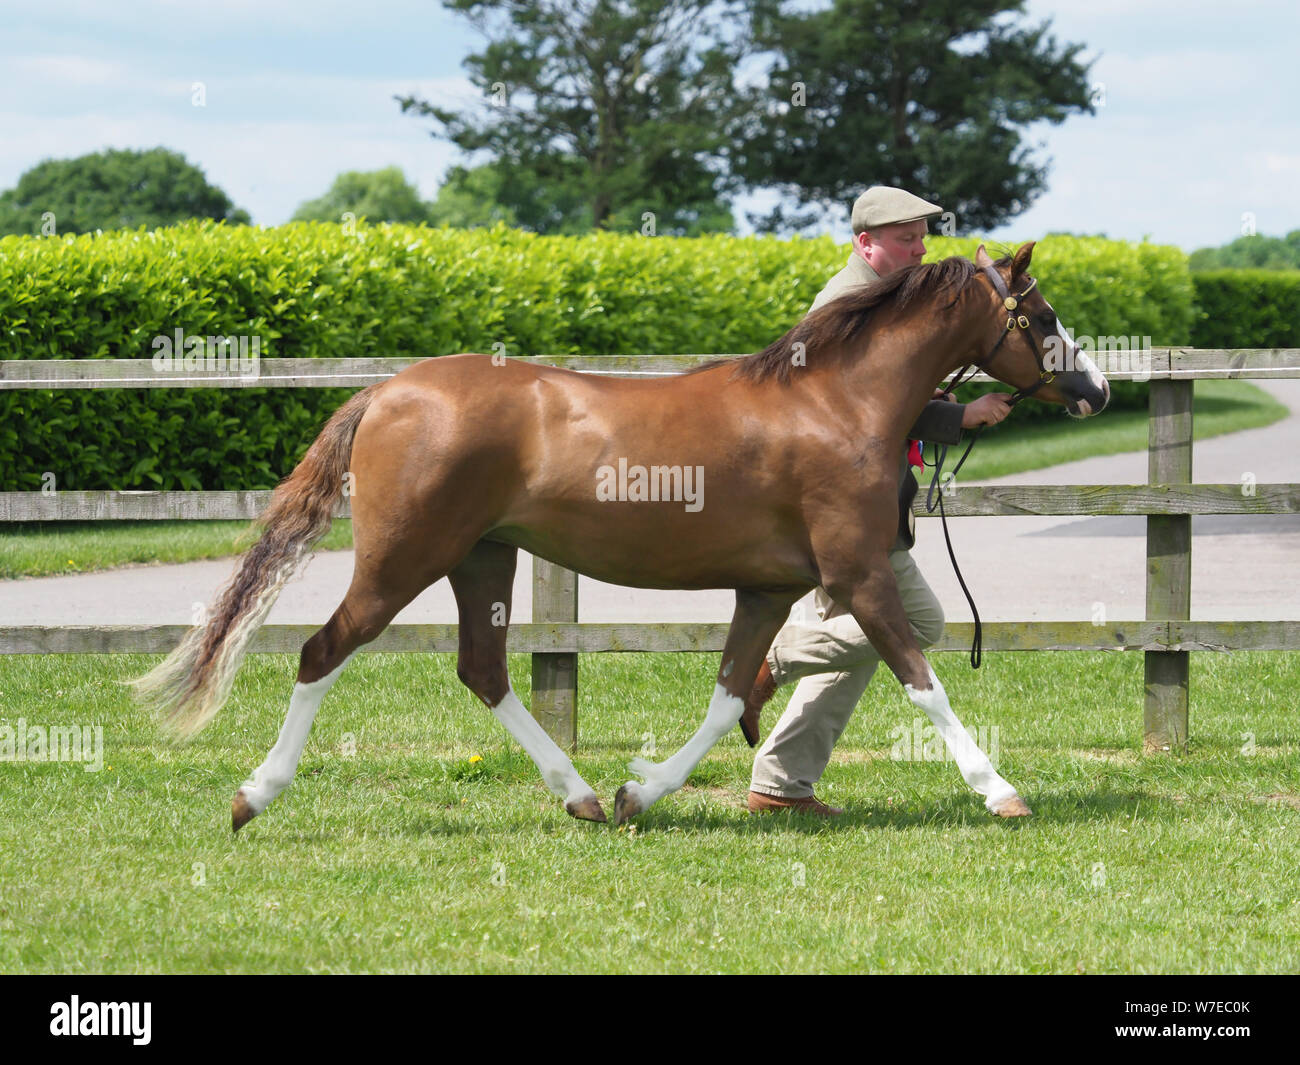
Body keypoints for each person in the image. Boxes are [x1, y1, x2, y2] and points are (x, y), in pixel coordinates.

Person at [743, 186, 1014, 816]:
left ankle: (780, 786)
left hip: (862, 511)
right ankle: (767, 664)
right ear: (865, 242)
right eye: (906, 239)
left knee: (863, 643)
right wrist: (959, 417)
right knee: (919, 626)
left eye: (923, 238)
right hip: (840, 519)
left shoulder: (891, 298)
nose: (921, 250)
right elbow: (852, 414)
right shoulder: (843, 303)